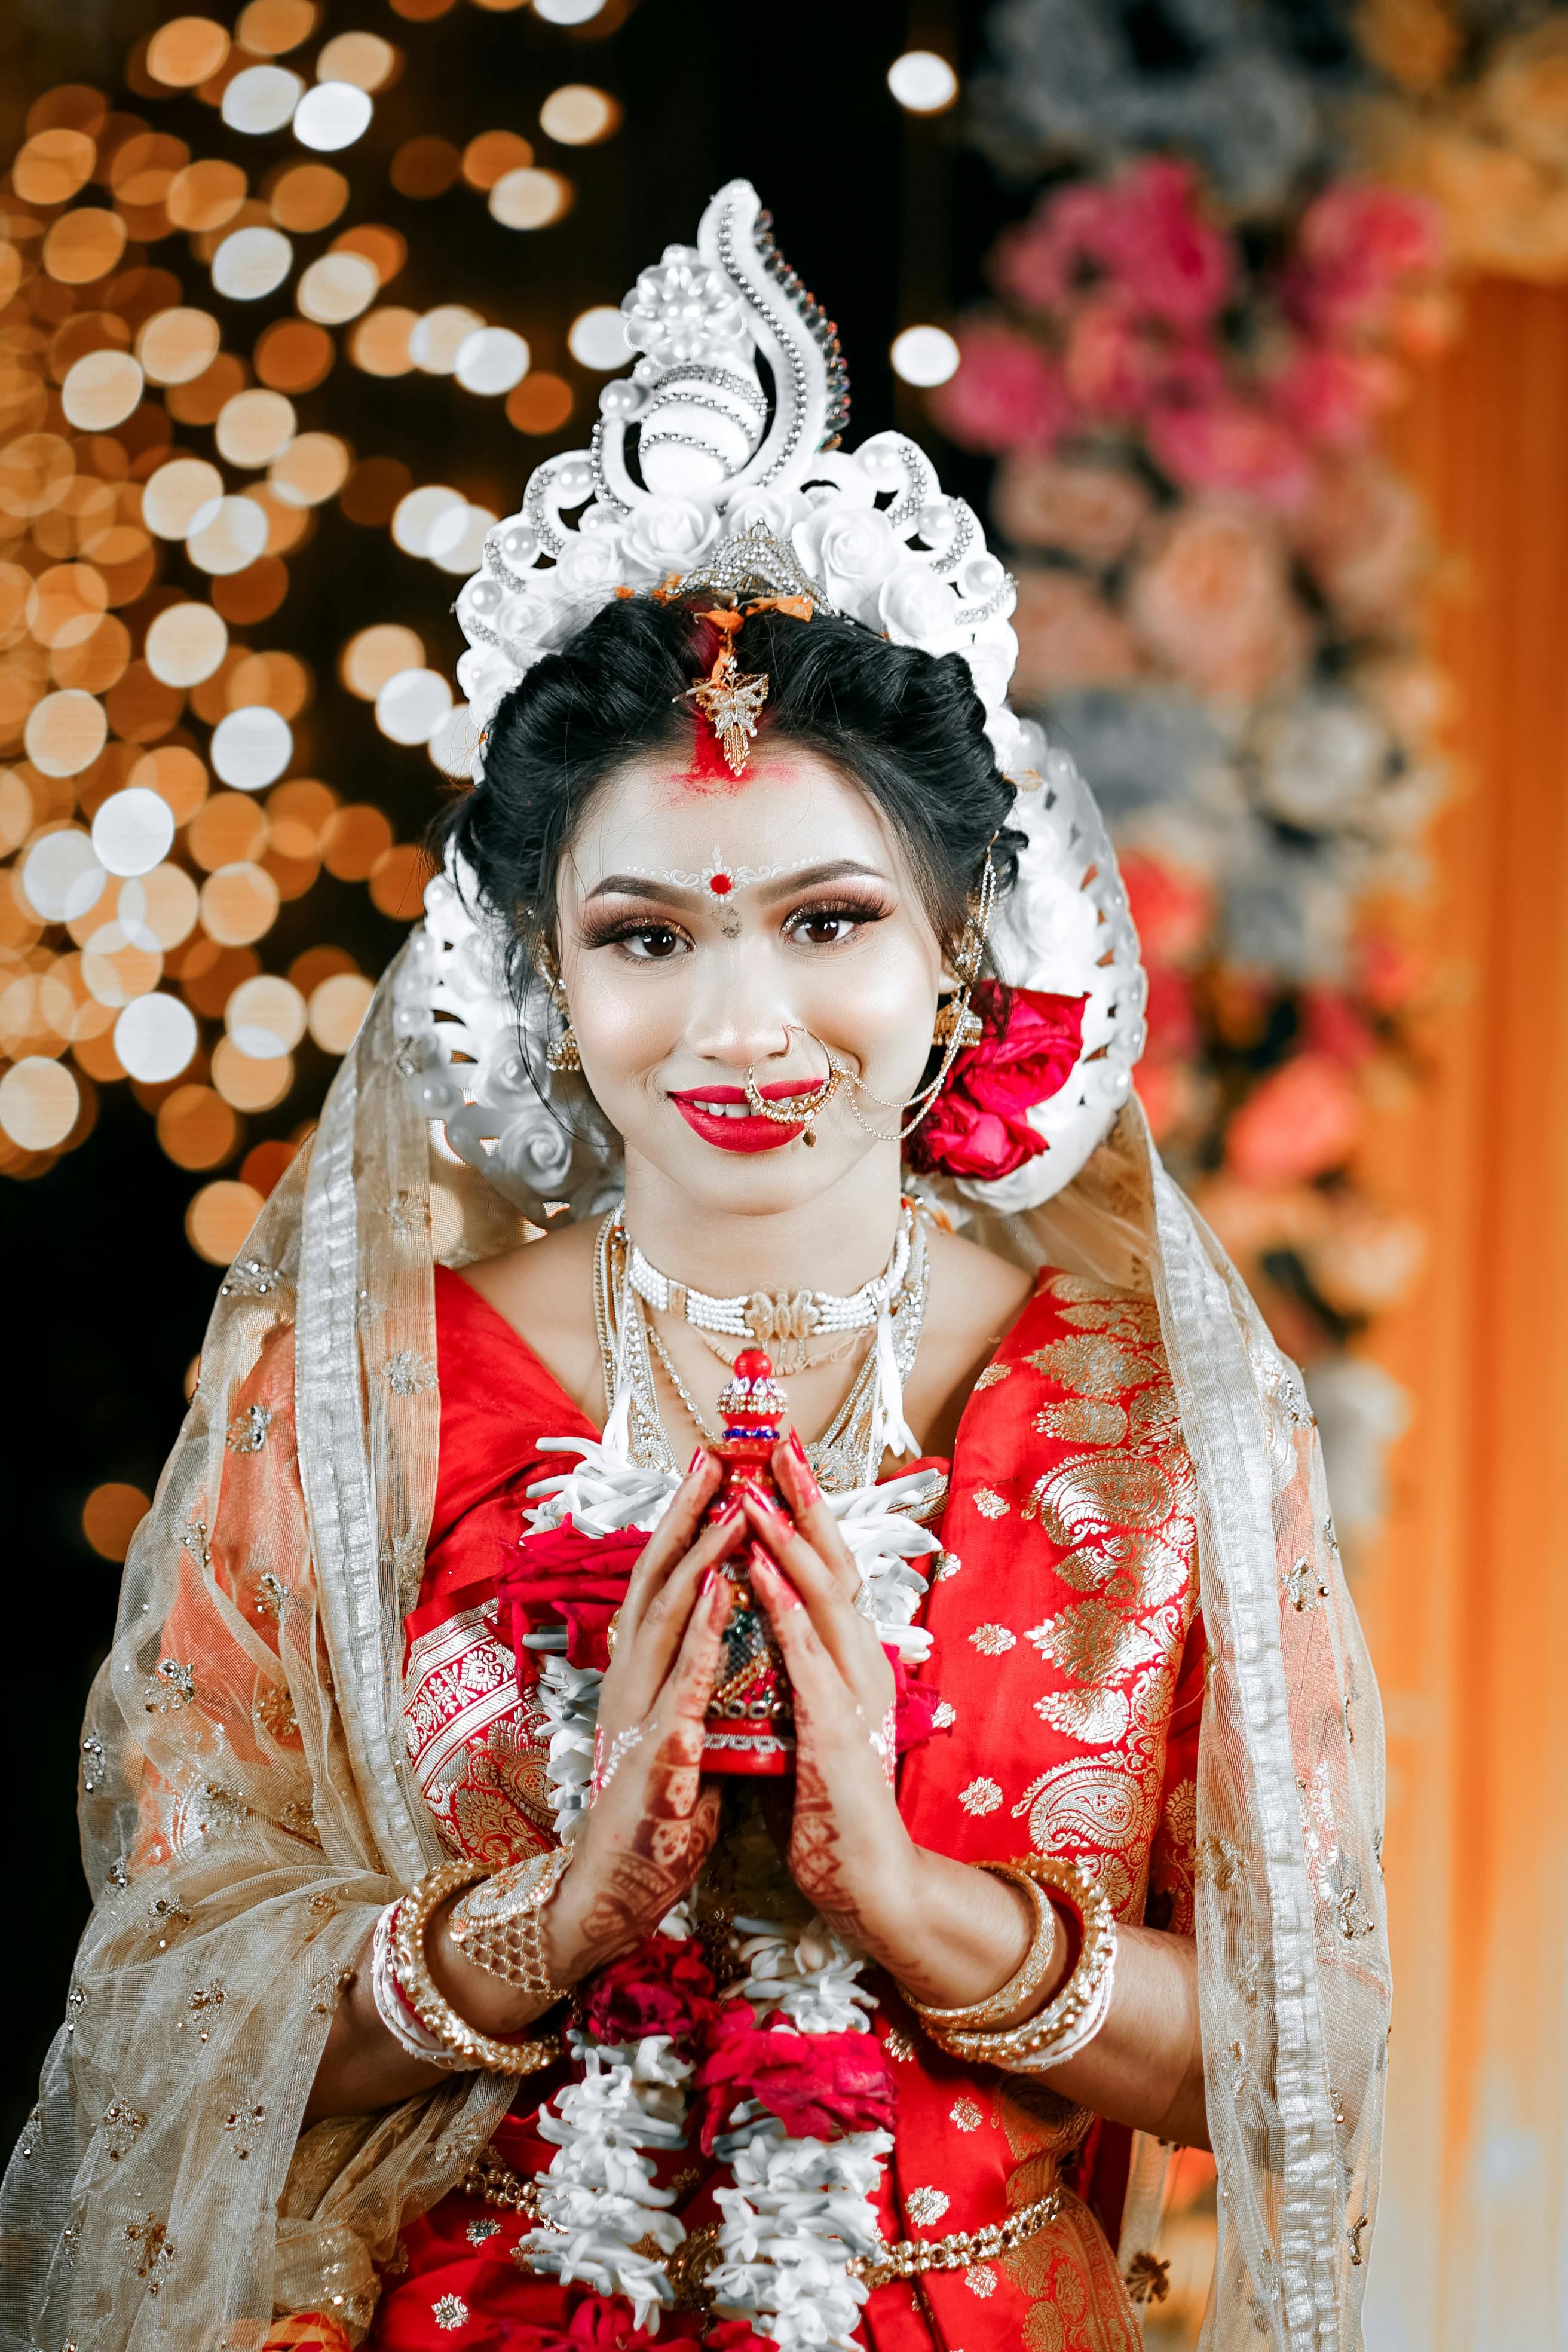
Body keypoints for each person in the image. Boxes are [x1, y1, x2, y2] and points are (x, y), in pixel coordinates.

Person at [1, 182, 1387, 2352]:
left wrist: (923, 1914)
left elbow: (1299, 2058)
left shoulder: (1153, 1428)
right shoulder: (355, 1406)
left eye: (827, 922)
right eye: (649, 936)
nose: (742, 1026)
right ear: (544, 977)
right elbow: (164, 2017)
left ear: (958, 960)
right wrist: (537, 1934)